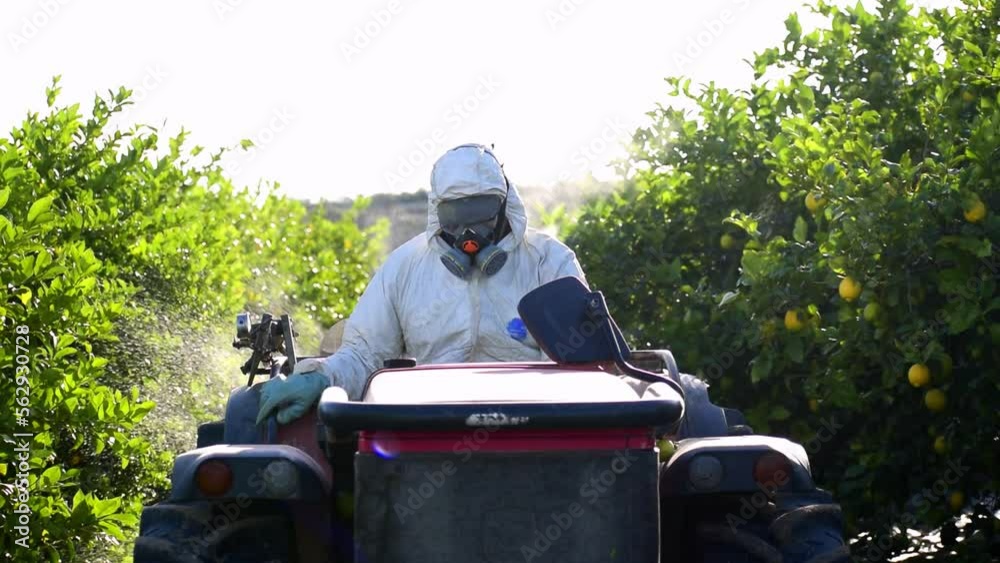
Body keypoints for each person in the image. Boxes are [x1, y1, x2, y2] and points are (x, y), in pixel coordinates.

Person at [257, 144, 587, 424]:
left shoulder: (549, 262)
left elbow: (578, 363)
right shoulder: (404, 268)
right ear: (437, 210)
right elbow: (363, 355)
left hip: (534, 426)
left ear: (504, 206)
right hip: (428, 428)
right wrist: (320, 376)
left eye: (481, 212)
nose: (468, 232)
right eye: (455, 215)